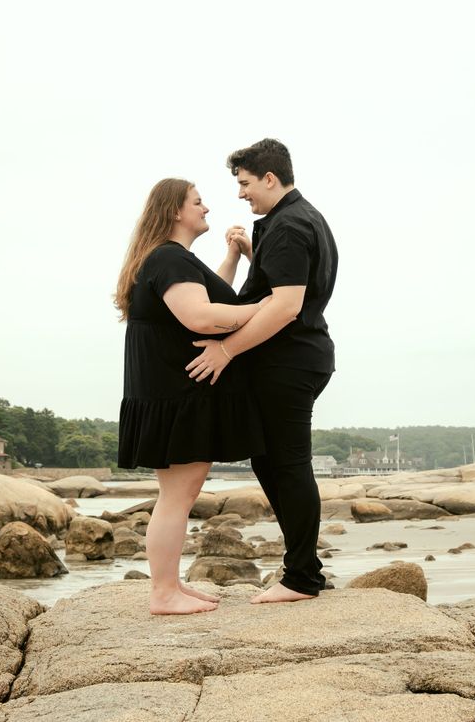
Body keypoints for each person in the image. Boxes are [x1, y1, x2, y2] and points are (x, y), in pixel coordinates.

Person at [187, 139, 338, 604]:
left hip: (289, 361)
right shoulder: (297, 219)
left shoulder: (290, 225)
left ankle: (302, 579)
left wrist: (227, 351)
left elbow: (287, 306)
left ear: (269, 178)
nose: (240, 194)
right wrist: (254, 253)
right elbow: (285, 286)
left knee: (288, 466)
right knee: (270, 461)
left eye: (245, 183)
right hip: (296, 358)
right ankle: (302, 570)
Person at [115, 178, 266, 615]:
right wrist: (268, 309)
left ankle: (170, 586)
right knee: (177, 496)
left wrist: (232, 258)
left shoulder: (169, 259)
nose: (207, 209)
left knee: (176, 493)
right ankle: (163, 593)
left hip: (167, 391)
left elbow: (204, 296)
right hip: (175, 392)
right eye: (198, 202)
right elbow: (201, 316)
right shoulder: (168, 257)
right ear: (175, 211)